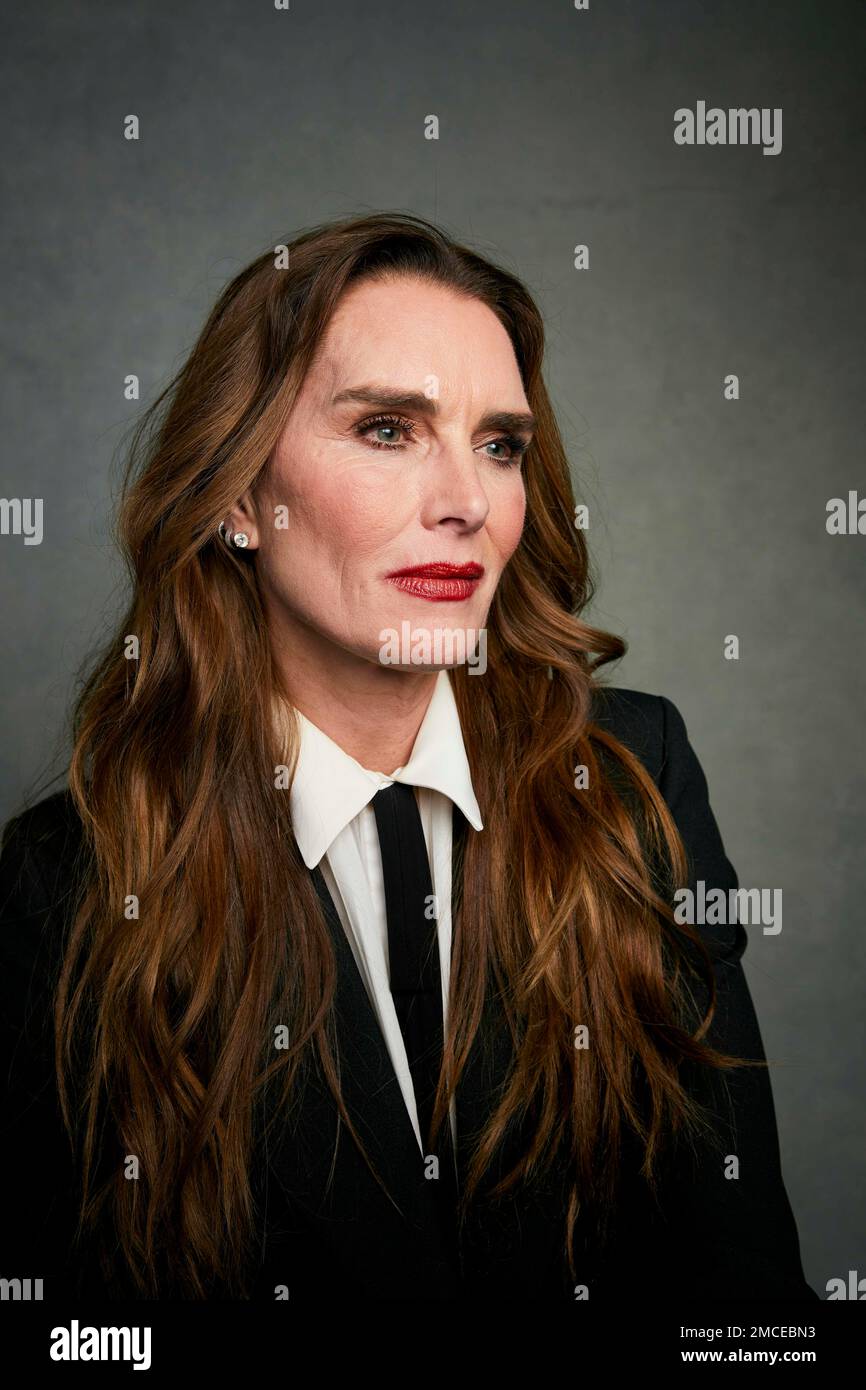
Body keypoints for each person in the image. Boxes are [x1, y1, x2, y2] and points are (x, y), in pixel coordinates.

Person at [0, 212, 817, 1302]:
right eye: (388, 428)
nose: (466, 502)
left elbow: (746, 1299)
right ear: (240, 495)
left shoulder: (630, 779)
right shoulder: (62, 888)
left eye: (499, 444)